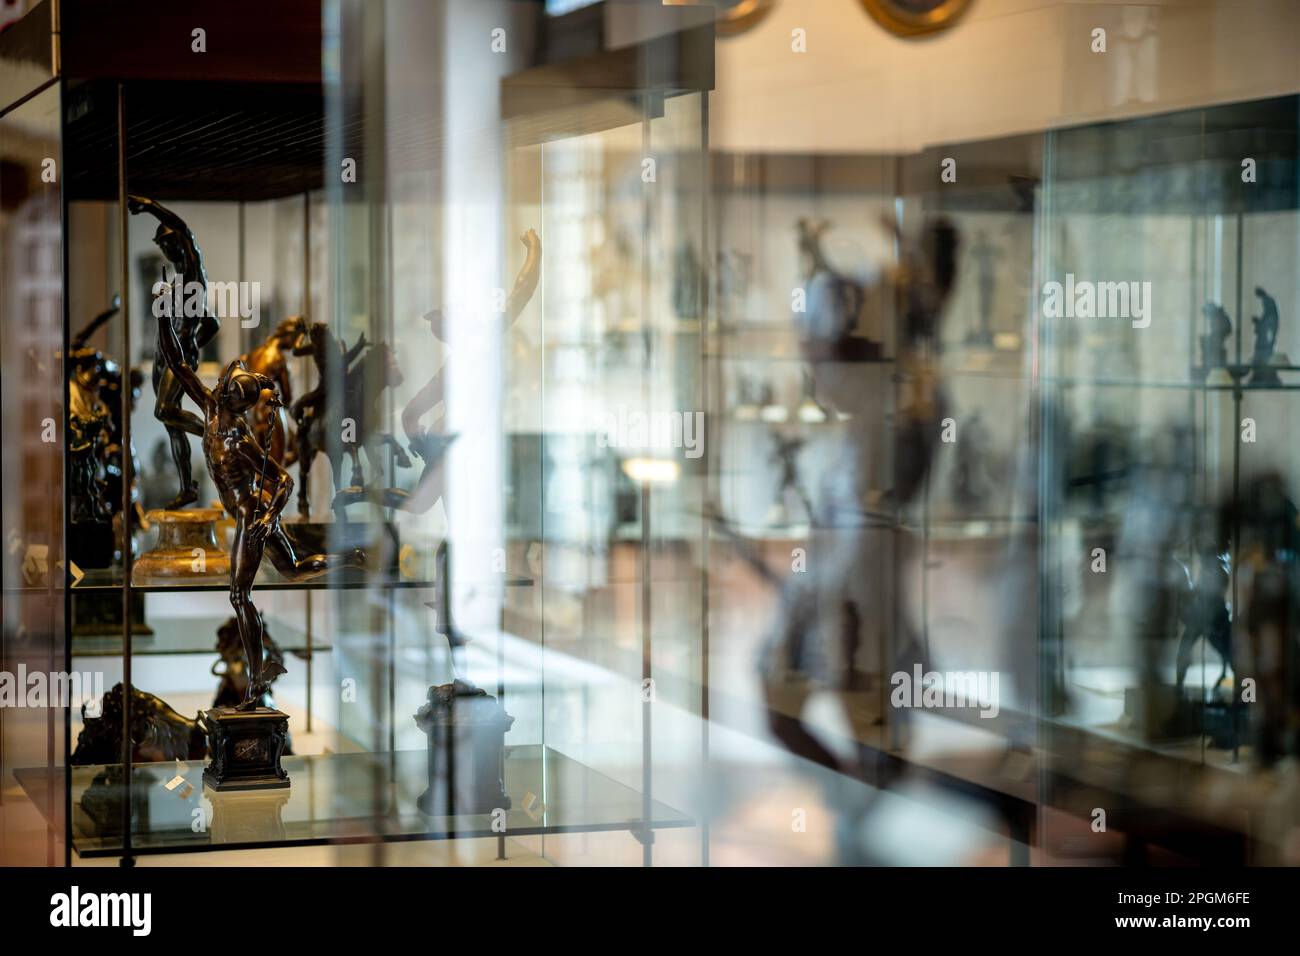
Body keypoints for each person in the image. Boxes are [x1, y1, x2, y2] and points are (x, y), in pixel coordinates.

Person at [156, 293, 365, 708]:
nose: (231, 401)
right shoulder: (212, 409)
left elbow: (284, 479)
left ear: (246, 407)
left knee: (239, 596)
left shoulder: (240, 435)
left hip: (252, 513)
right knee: (291, 569)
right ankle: (351, 558)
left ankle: (257, 679)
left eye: (240, 400)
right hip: (251, 514)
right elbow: (179, 364)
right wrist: (164, 315)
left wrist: (268, 515)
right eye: (233, 395)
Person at [128, 195, 221, 509]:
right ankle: (188, 489)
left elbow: (184, 229)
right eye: (161, 246)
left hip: (178, 358)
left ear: (179, 244)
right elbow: (212, 324)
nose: (165, 251)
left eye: (167, 244)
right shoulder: (180, 283)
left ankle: (215, 431)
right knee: (171, 425)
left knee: (164, 410)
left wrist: (149, 205)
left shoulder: (194, 275)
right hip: (162, 355)